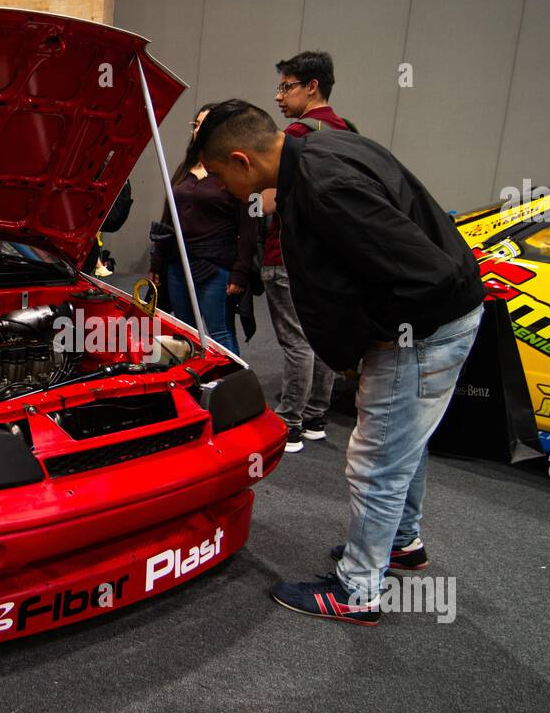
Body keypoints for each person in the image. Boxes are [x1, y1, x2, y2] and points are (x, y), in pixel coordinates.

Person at [195, 100, 485, 626]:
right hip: (447, 323)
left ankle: (358, 591)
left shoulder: (324, 187)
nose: (223, 190)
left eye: (219, 176)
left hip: (420, 334)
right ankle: (402, 542)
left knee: (375, 465)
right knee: (406, 446)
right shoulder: (326, 147)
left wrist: (379, 340)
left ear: (241, 160)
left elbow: (425, 276)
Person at [263, 51, 353, 451]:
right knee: (321, 336)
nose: (279, 97)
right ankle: (316, 416)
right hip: (331, 255)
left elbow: (267, 202)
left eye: (287, 87)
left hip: (289, 254)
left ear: (312, 86)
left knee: (295, 341)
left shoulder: (297, 136)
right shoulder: (347, 131)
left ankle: (290, 423)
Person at [148, 104, 259, 356]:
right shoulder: (185, 169)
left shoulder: (236, 170)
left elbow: (250, 227)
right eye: (196, 124)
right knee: (184, 332)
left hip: (216, 266)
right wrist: (157, 262)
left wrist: (240, 271)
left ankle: (231, 391)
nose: (199, 129)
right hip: (177, 263)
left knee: (219, 333)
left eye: (205, 124)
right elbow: (168, 216)